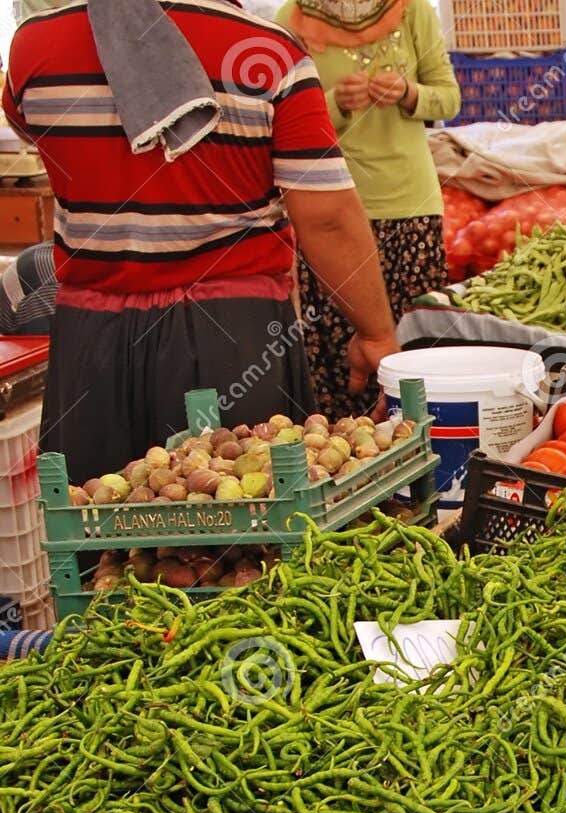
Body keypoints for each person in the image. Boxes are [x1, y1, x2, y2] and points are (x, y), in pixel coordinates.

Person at [2, 0, 401, 483]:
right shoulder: (269, 54)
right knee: (248, 527)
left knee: (96, 525)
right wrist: (376, 332)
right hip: (233, 339)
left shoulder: (33, 47)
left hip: (92, 350)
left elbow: (36, 133)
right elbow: (327, 220)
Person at [277, 0, 459, 414]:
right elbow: (280, 121)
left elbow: (449, 99)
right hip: (331, 215)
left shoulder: (413, 12)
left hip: (410, 206)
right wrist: (335, 102)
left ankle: (429, 455)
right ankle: (349, 458)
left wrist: (409, 93)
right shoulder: (290, 22)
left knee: (418, 350)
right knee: (342, 362)